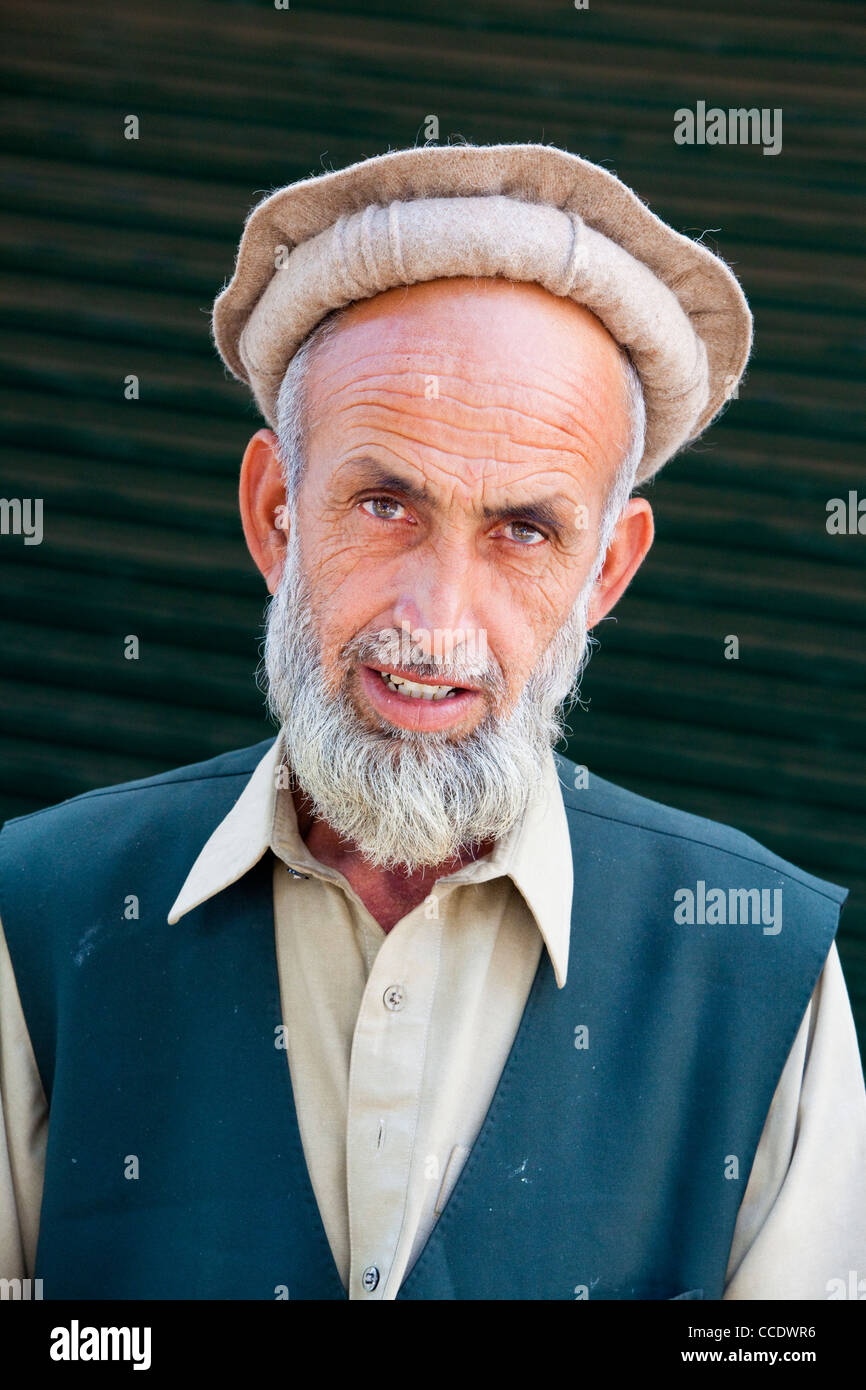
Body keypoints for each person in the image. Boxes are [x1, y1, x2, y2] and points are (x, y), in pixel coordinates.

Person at [1, 143, 863, 1301]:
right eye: (384, 502)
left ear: (604, 572)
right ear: (274, 515)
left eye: (522, 532)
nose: (437, 622)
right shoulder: (38, 915)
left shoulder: (757, 967)